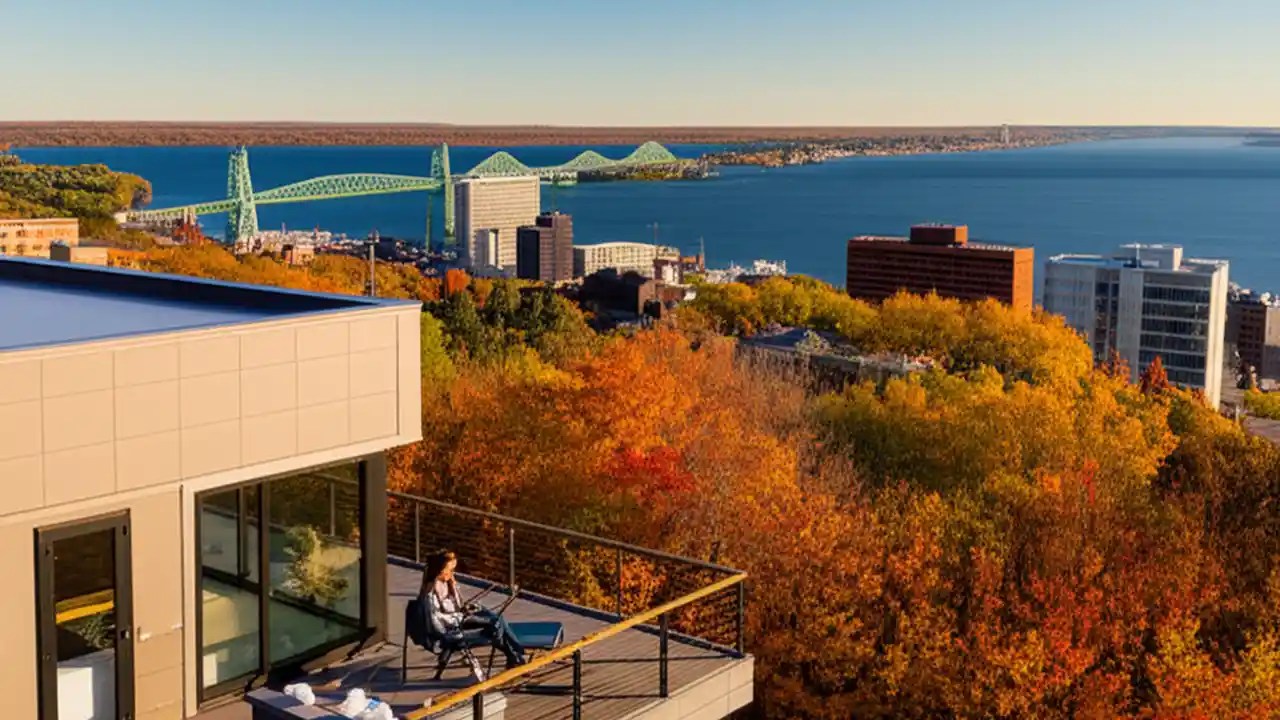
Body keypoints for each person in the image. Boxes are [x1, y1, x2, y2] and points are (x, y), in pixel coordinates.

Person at [420, 550, 526, 669]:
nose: (452, 573)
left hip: (459, 617)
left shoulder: (446, 583)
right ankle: (517, 654)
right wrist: (462, 616)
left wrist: (458, 593)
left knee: (496, 618)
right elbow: (438, 622)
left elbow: (457, 604)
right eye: (450, 570)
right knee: (495, 625)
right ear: (440, 570)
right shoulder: (431, 594)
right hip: (451, 628)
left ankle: (515, 655)